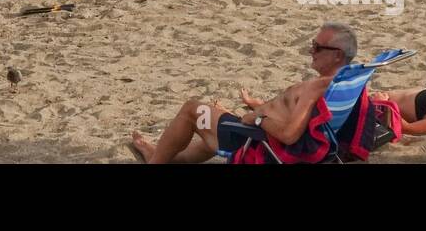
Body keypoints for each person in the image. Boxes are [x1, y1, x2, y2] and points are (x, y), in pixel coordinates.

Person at [130, 23, 355, 163]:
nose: (311, 51)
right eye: (312, 44)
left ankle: (156, 160)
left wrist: (257, 118)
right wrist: (258, 105)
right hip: (260, 130)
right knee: (208, 138)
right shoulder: (344, 81)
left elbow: (289, 135)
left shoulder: (317, 87)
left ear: (337, 55)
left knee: (193, 110)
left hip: (257, 140)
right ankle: (159, 153)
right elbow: (296, 116)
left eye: (317, 47)